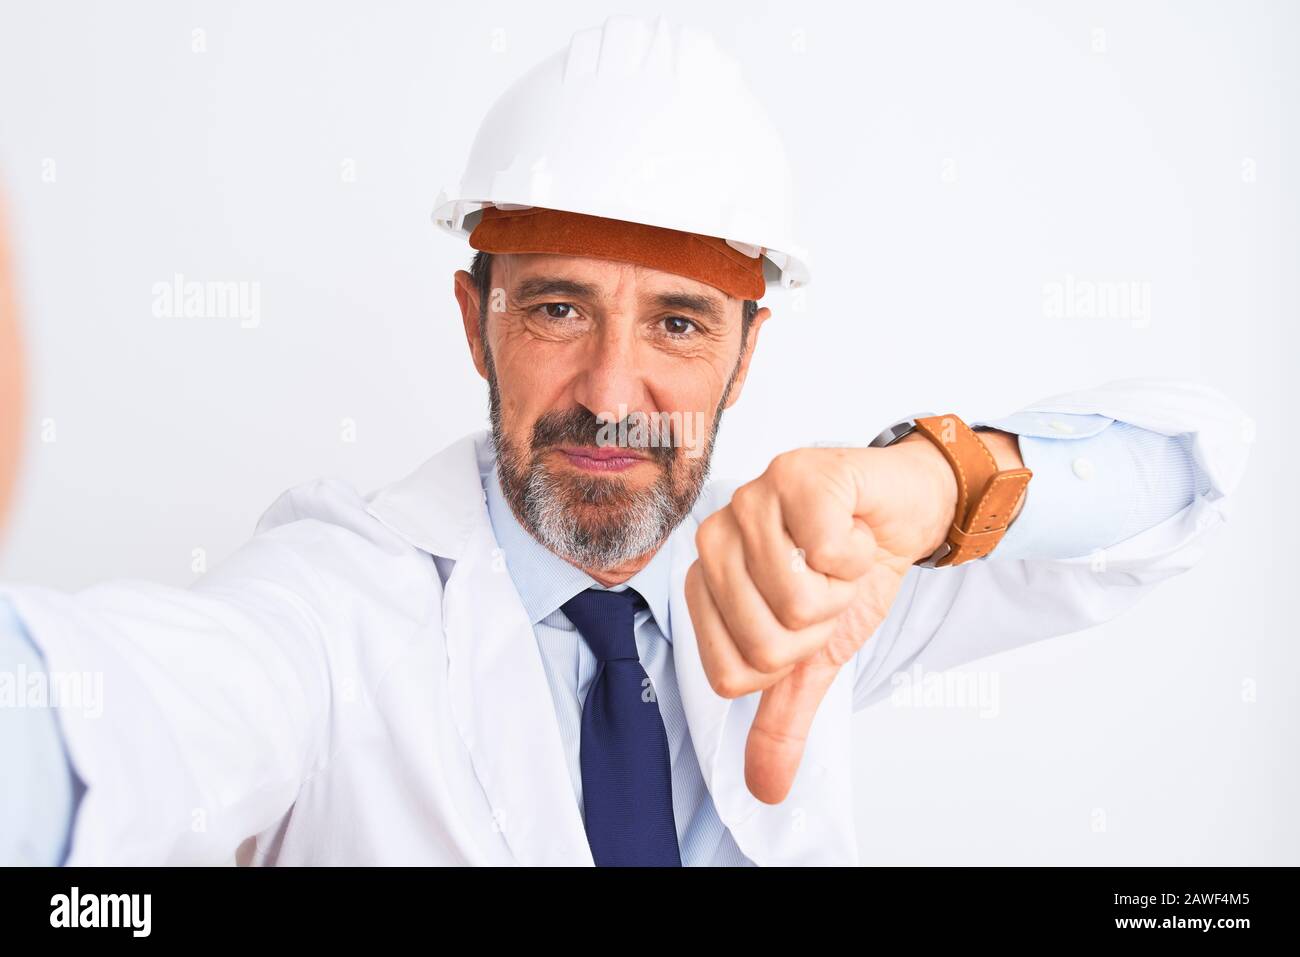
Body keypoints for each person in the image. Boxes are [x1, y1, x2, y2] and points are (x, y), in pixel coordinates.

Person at [0, 15, 1249, 866]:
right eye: (556, 308)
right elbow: (143, 707)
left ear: (747, 354)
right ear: (476, 324)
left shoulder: (810, 588)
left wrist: (934, 479)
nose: (611, 391)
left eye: (679, 322)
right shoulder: (338, 607)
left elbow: (1191, 477)